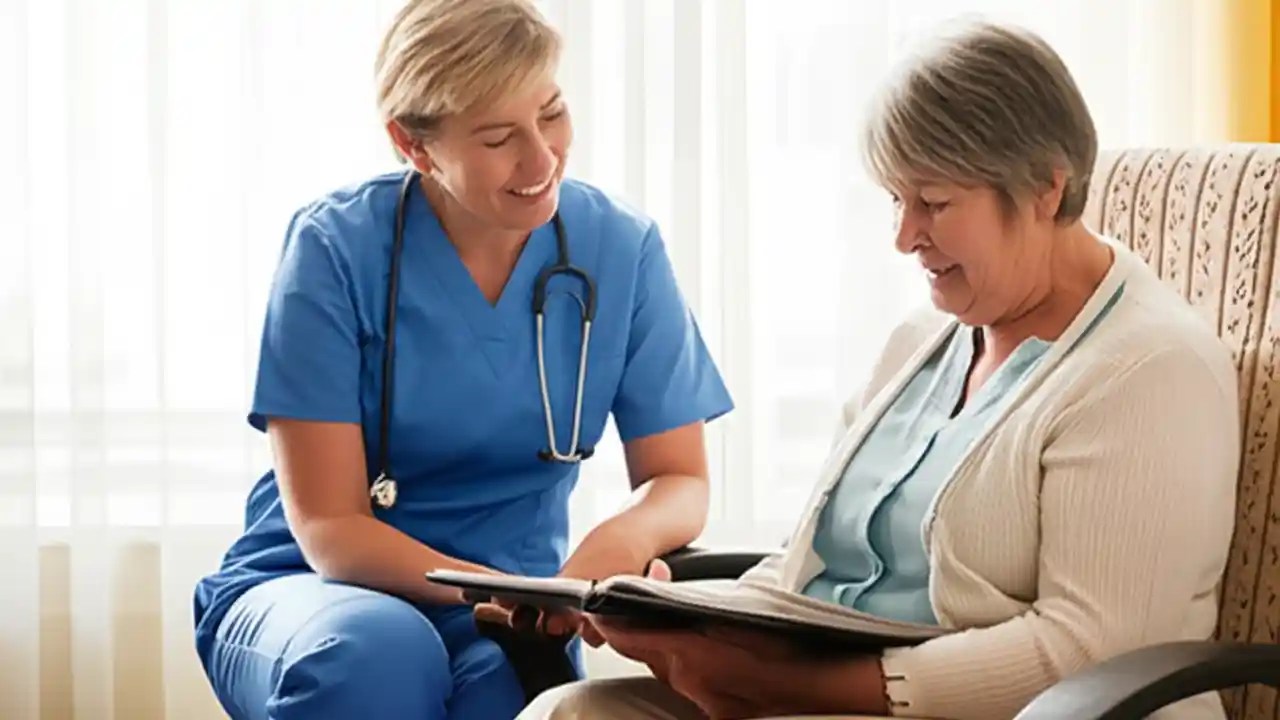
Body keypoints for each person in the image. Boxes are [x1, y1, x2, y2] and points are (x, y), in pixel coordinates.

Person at [520, 18, 1240, 720]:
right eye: (897, 199)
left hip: (981, 707)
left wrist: (786, 688)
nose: (903, 237)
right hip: (814, 693)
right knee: (572, 711)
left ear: (1047, 188)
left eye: (933, 203)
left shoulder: (1150, 372)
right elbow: (819, 570)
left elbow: (1086, 654)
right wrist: (689, 620)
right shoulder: (921, 342)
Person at [191, 1, 734, 718]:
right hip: (315, 592)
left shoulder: (619, 248)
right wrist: (496, 589)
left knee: (511, 693)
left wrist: (622, 538)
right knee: (378, 654)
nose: (542, 160)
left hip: (509, 606)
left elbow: (680, 476)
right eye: (497, 137)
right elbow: (329, 529)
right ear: (413, 146)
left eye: (552, 113)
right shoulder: (335, 248)